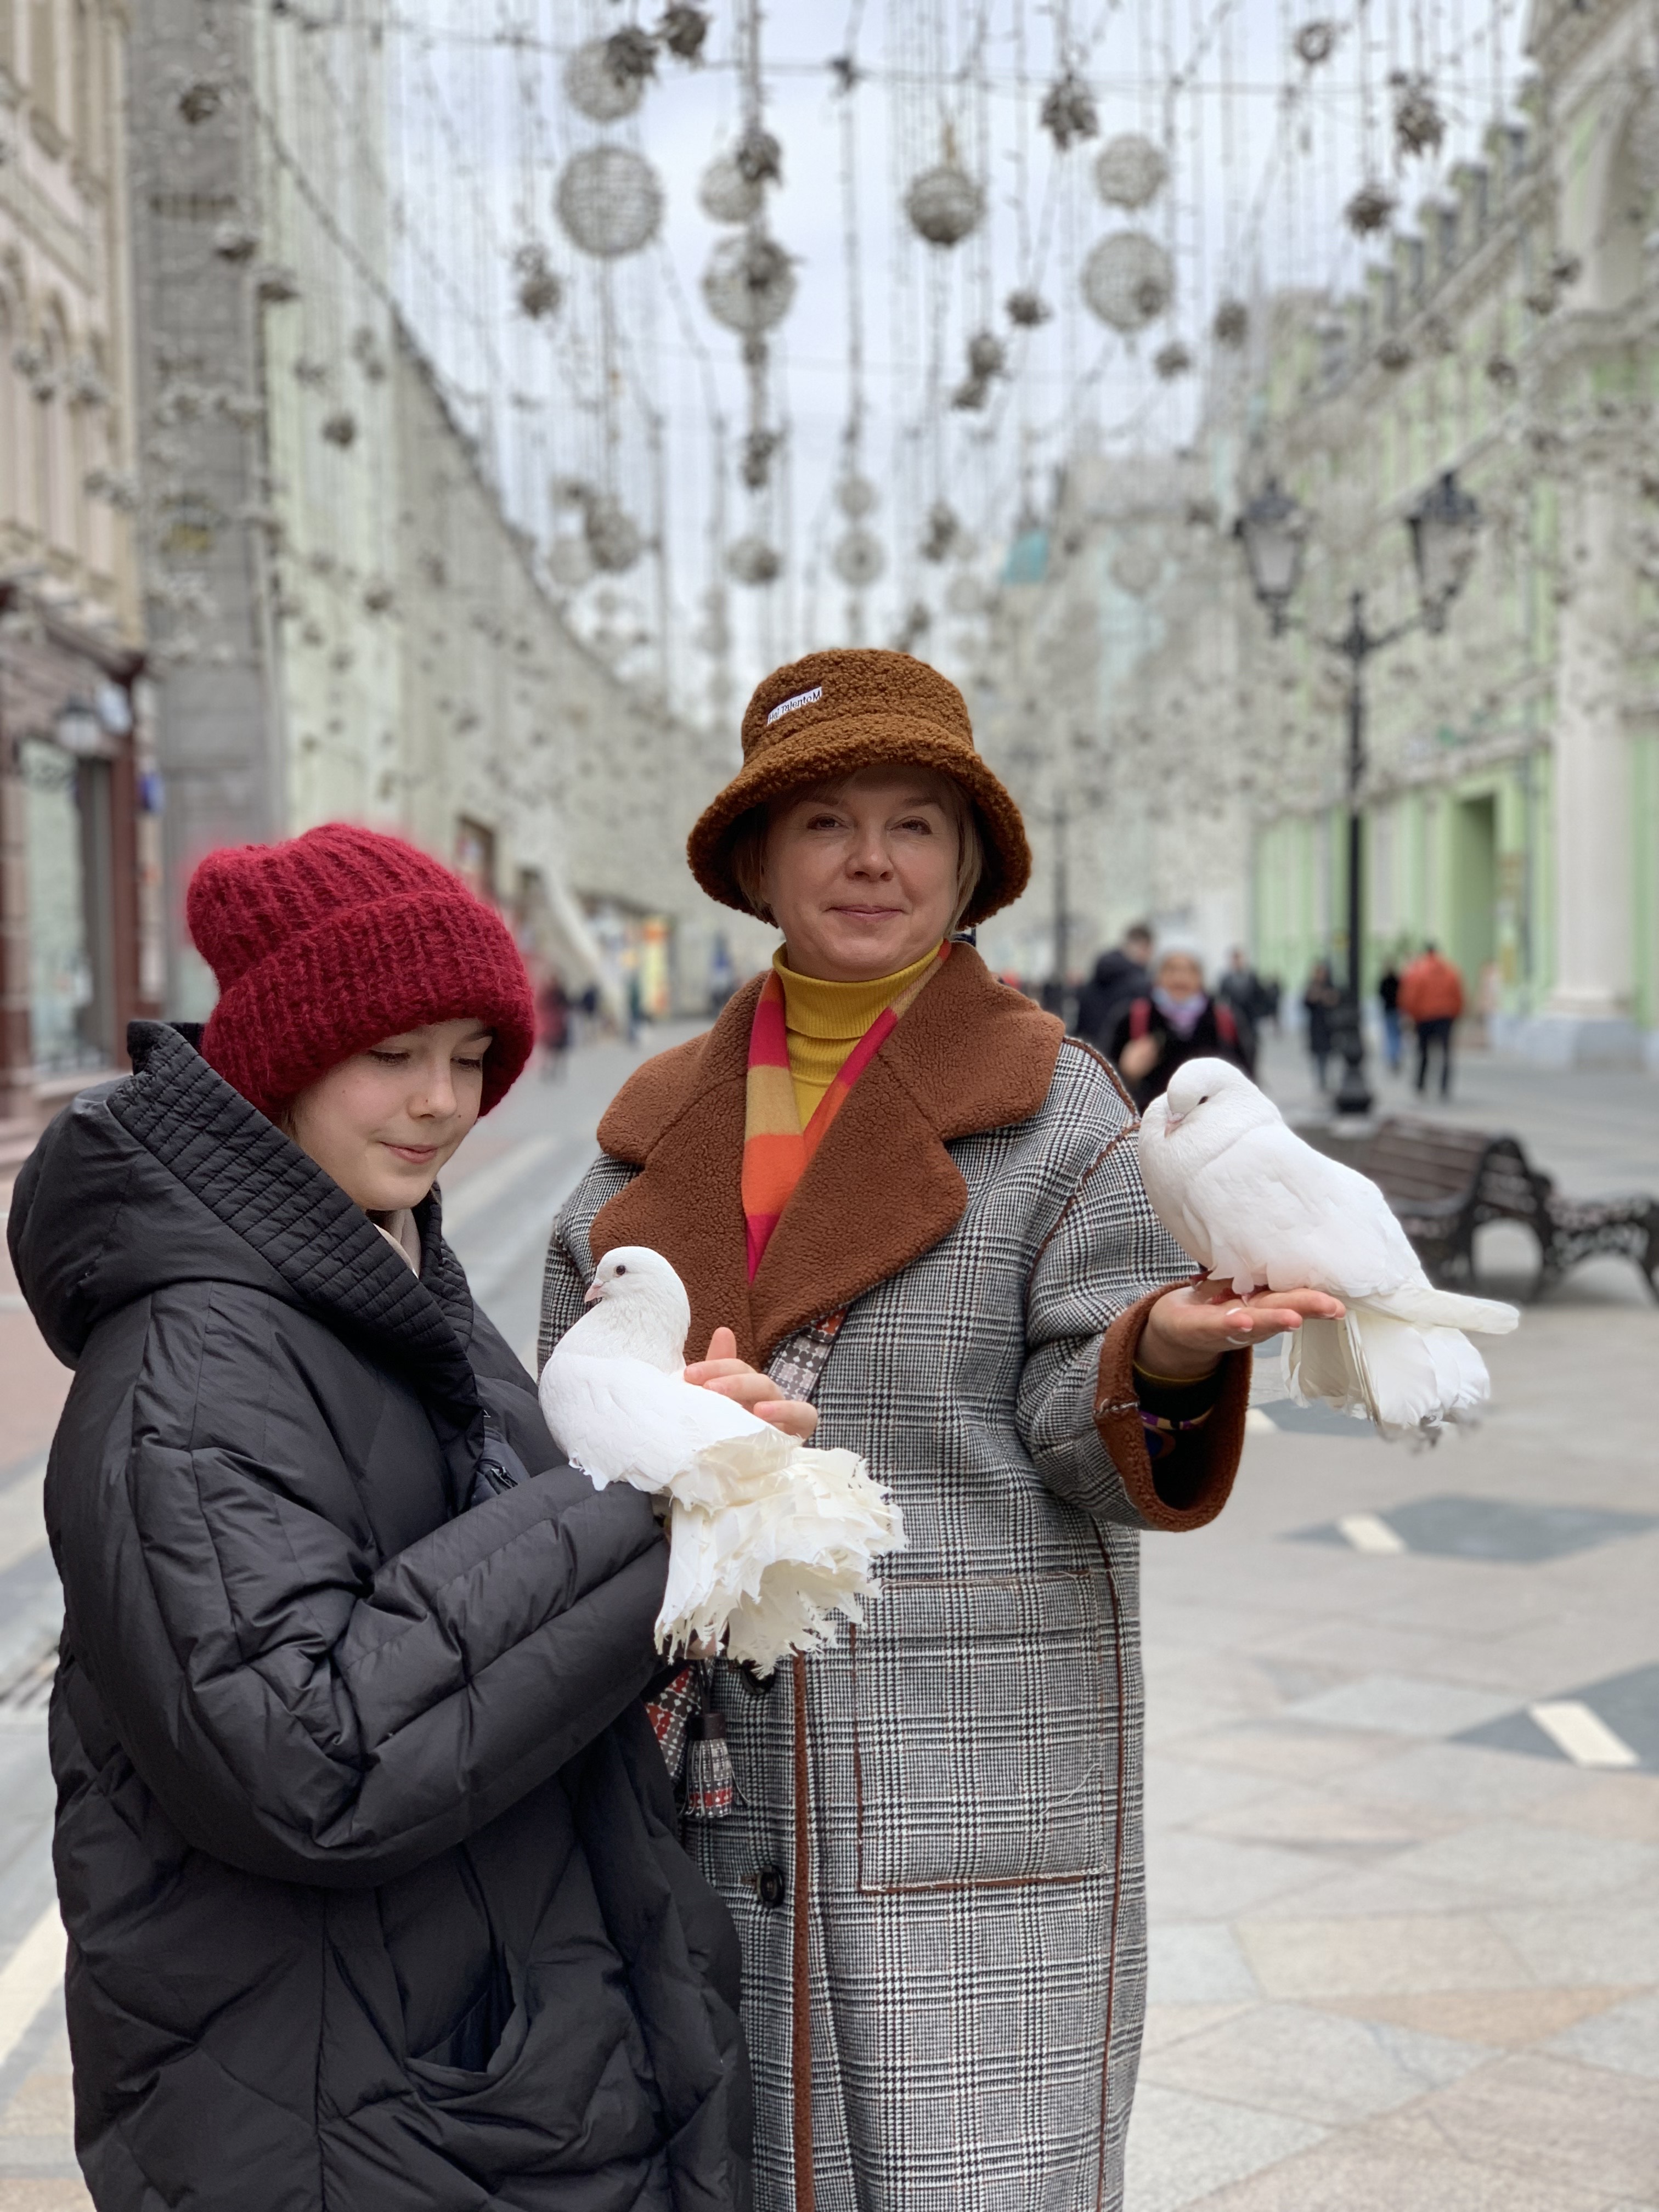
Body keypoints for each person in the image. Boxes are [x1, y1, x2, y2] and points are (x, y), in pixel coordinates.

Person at [538, 650, 1344, 2212]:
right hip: (700, 1768)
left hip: (968, 1771)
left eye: (916, 823)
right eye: (826, 820)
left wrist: (1154, 1349)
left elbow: (1074, 1426)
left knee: (965, 2168)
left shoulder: (1064, 1115)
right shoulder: (641, 1135)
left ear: (969, 864)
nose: (872, 860)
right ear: (758, 862)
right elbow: (558, 1435)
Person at [9, 825, 751, 2212]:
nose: (442, 1101)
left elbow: (500, 1581)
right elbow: (308, 1756)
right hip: (346, 2100)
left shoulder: (389, 1276)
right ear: (285, 1059)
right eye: (393, 1055)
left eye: (471, 1055)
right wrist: (651, 1511)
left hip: (465, 2056)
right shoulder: (195, 1360)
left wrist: (671, 1446)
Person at [1108, 944, 1256, 1111]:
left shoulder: (1224, 1020)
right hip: (1148, 1129)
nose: (1180, 978)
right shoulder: (1132, 1019)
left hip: (1213, 1131)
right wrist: (1126, 1074)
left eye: (1190, 970)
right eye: (1171, 969)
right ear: (1157, 976)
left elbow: (1248, 1082)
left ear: (1201, 977)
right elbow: (1103, 1090)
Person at [1075, 920, 1153, 1051]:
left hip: (1092, 1048)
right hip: (1123, 1052)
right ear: (1144, 947)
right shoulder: (1139, 982)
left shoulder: (1099, 973)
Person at [1400, 940, 1464, 1096]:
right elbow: (1458, 995)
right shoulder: (1450, 970)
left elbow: (1411, 997)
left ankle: (1421, 1083)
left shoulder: (1418, 971)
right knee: (1446, 1053)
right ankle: (1444, 1086)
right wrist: (1454, 1014)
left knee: (1423, 1052)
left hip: (1424, 1017)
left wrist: (1412, 1016)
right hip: (1445, 1016)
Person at [1303, 958, 1342, 1091]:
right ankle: (1321, 1079)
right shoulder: (1312, 985)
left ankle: (1326, 1078)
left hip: (1328, 1026)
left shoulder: (1330, 985)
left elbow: (1335, 1000)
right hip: (1316, 1026)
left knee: (1328, 1054)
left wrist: (1323, 997)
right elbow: (1307, 1001)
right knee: (1318, 1055)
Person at [1216, 945, 1267, 1030]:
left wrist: (1258, 1011)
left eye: (1239, 958)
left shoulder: (1252, 977)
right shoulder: (1226, 979)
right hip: (1234, 1017)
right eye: (1235, 959)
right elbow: (1221, 997)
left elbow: (1260, 995)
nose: (1237, 961)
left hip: (1251, 1017)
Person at [536, 963, 570, 1077]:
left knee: (556, 1050)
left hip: (557, 1025)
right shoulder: (550, 991)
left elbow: (567, 1005)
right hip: (552, 1024)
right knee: (549, 1049)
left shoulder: (557, 991)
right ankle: (548, 1069)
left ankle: (554, 1070)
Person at [1378, 958, 1403, 1074]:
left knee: (1390, 1035)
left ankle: (1392, 1057)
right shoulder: (1397, 981)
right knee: (1395, 1035)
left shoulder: (1385, 981)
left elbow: (1381, 995)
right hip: (1396, 1010)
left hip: (1390, 1010)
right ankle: (1395, 1056)